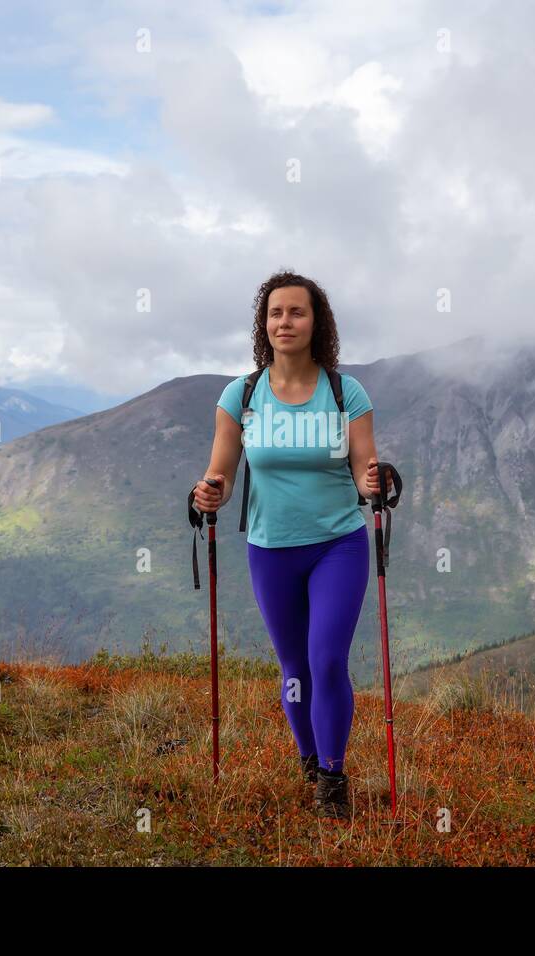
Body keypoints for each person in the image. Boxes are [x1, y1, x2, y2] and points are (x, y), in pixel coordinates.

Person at [191, 271, 391, 819]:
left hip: (338, 545)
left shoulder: (346, 393)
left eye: (296, 312)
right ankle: (307, 758)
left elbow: (361, 469)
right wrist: (209, 493)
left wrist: (373, 482)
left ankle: (332, 774)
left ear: (315, 322)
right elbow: (223, 473)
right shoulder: (242, 395)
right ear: (264, 323)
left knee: (327, 660)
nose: (285, 322)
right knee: (295, 669)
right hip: (271, 548)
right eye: (276, 313)